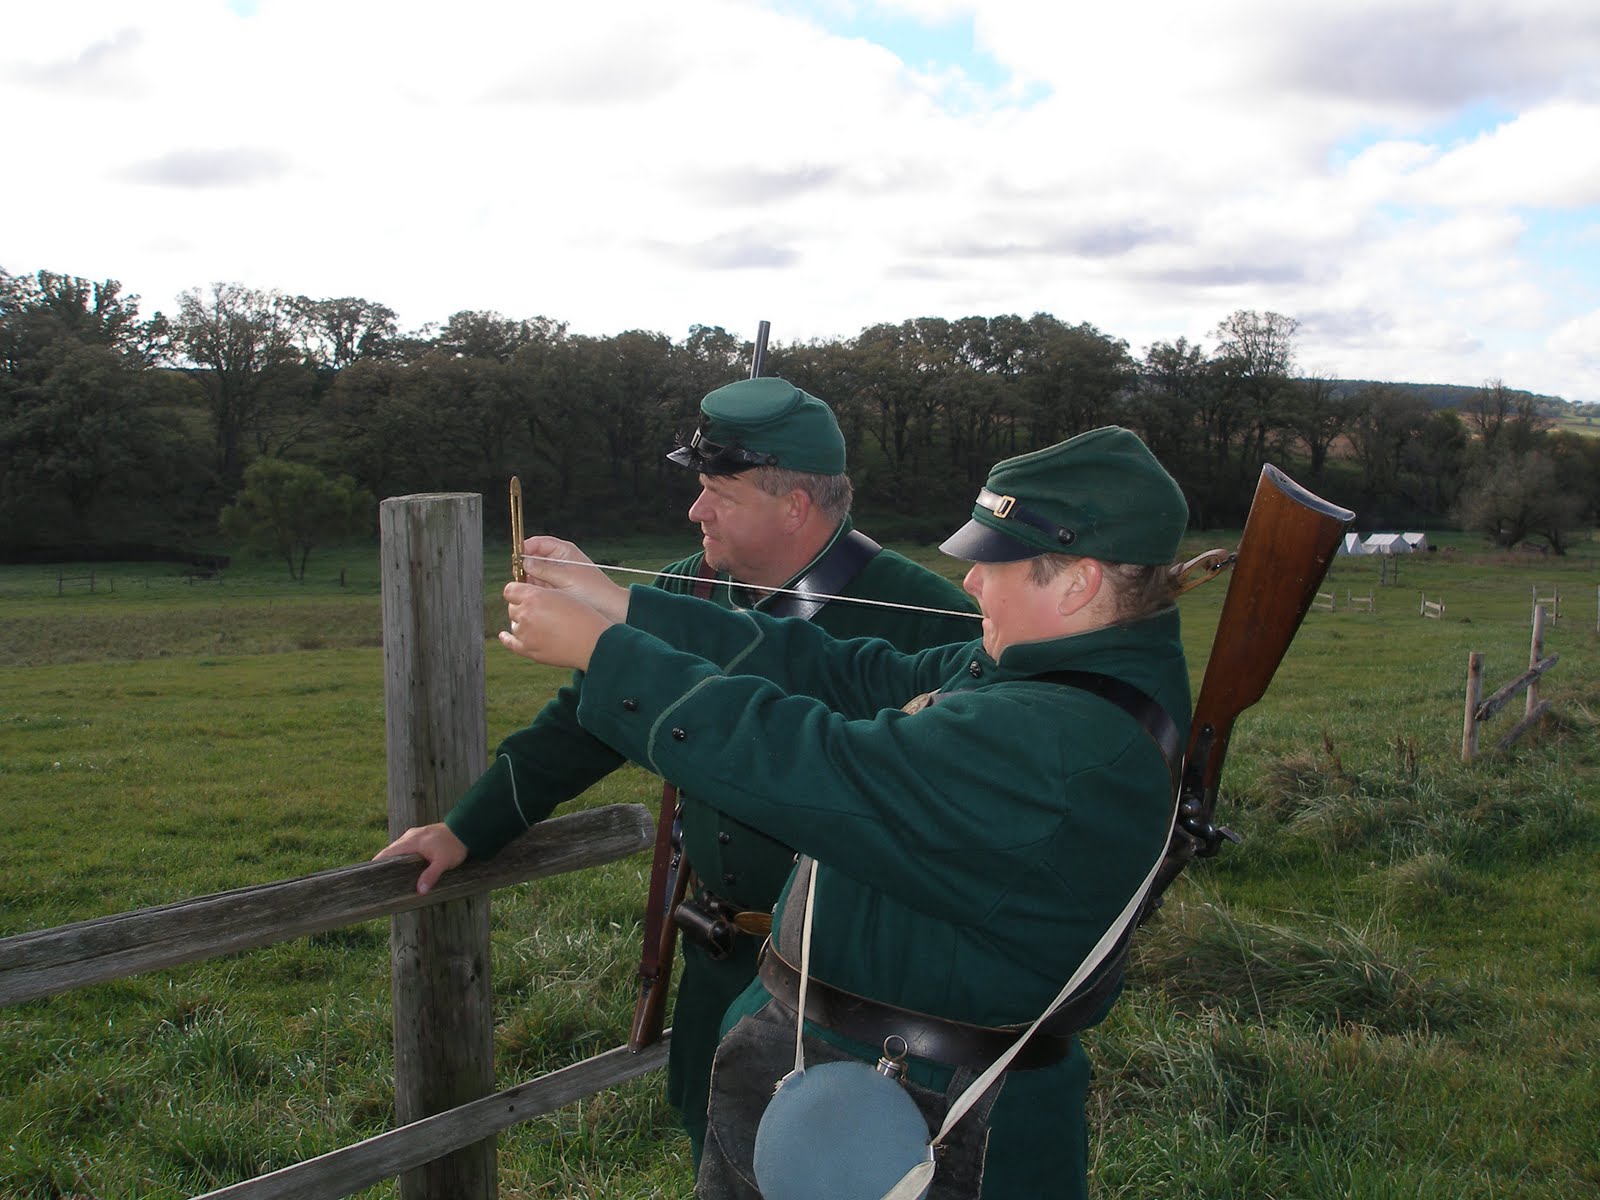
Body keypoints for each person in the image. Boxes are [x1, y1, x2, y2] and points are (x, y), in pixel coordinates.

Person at [496, 425, 1191, 1200]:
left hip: (932, 1121)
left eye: (995, 566)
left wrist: (609, 656)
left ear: (1077, 584)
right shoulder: (1046, 675)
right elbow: (834, 670)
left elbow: (817, 762)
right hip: (873, 1094)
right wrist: (622, 606)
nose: (970, 585)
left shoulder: (1059, 738)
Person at [375, 376, 977, 1164]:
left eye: (715, 493)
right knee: (715, 1145)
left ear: (794, 505)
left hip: (858, 987)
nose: (694, 512)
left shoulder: (930, 621)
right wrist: (466, 828)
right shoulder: (683, 588)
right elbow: (581, 724)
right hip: (722, 956)